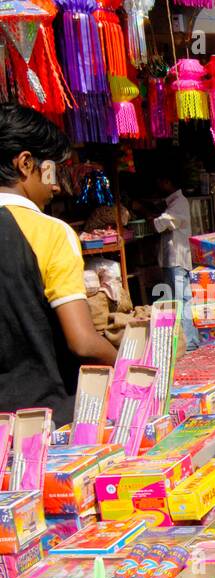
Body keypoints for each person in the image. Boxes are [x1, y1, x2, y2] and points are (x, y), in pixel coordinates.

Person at [0, 104, 116, 423]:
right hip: (43, 418)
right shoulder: (51, 232)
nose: (55, 185)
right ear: (25, 163)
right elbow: (82, 342)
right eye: (52, 171)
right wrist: (125, 364)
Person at [153, 171, 199, 348]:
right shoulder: (173, 203)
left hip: (177, 260)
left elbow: (164, 223)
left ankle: (186, 343)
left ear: (167, 182)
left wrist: (149, 215)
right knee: (183, 299)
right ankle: (190, 341)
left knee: (179, 301)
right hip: (176, 260)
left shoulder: (179, 202)